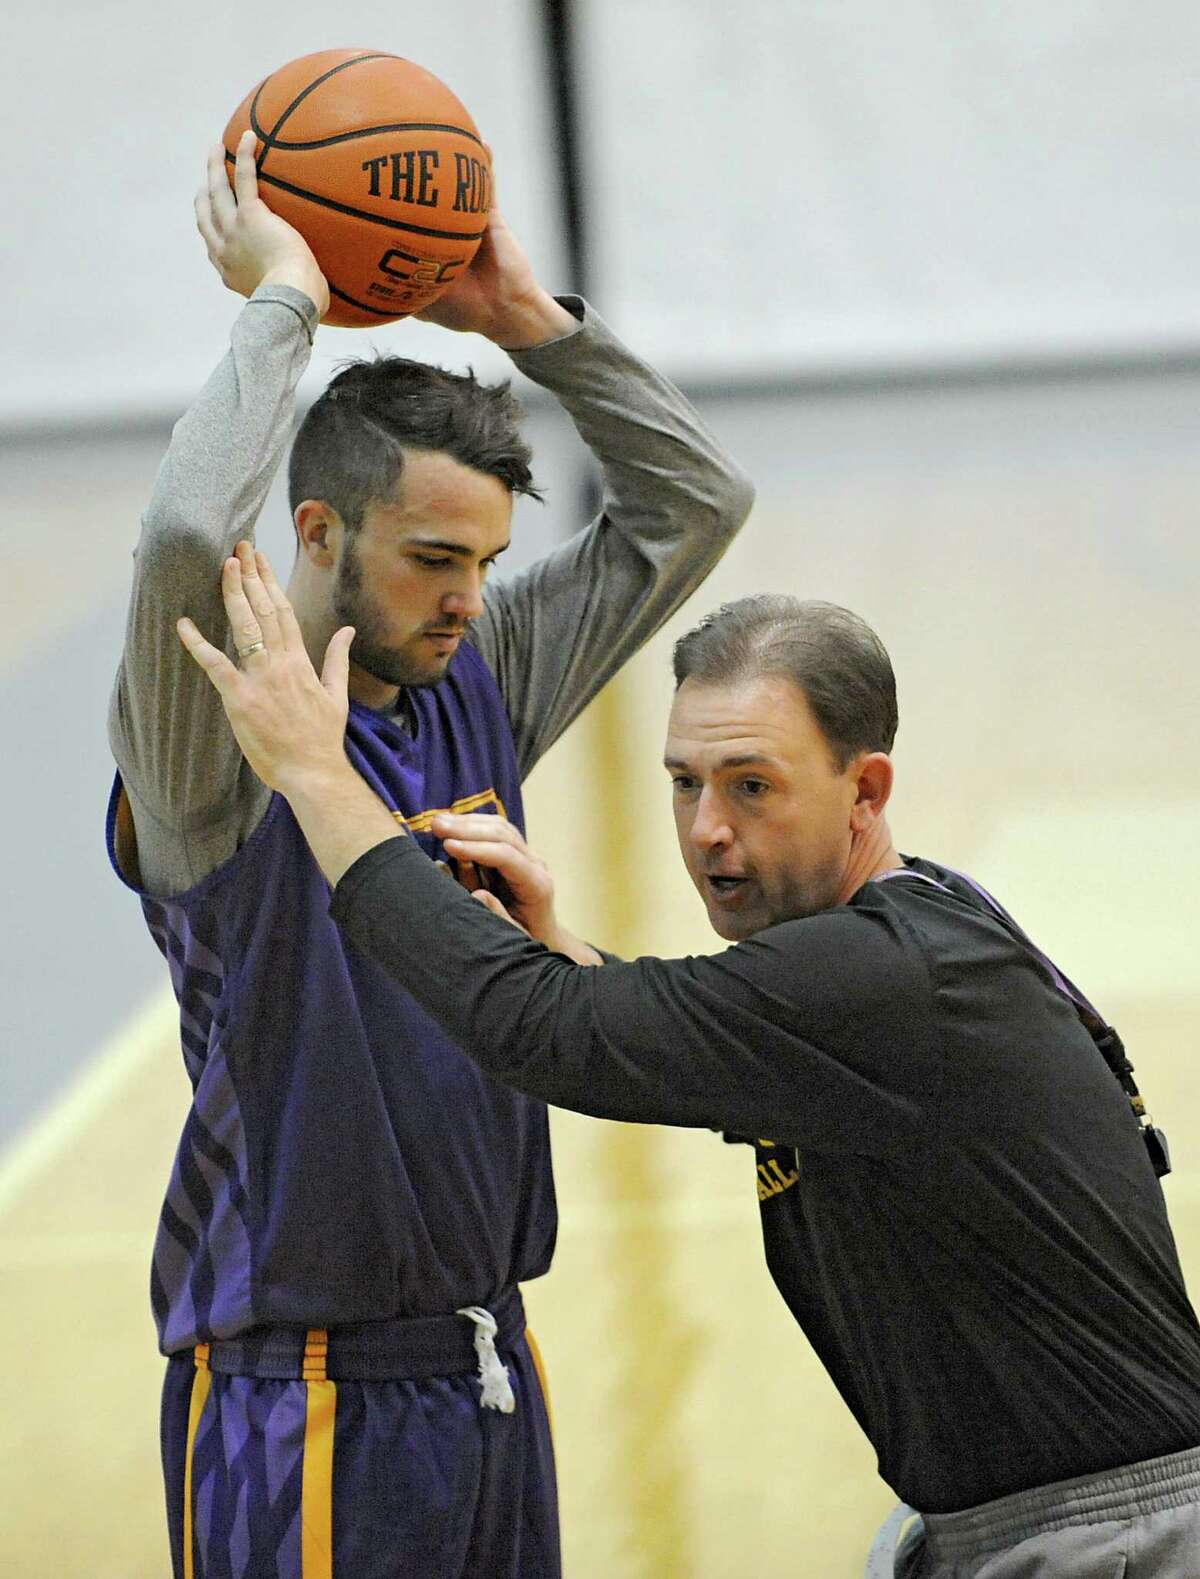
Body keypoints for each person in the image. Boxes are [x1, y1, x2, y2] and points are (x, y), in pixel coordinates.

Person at [178, 573, 1200, 1578]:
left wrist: (317, 774)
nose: (708, 826)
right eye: (684, 782)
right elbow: (655, 1029)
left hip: (1113, 1543)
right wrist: (558, 950)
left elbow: (540, 1030)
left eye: (751, 785)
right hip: (1036, 1524)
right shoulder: (913, 931)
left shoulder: (880, 977)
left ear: (867, 790)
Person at [106, 127, 754, 1579]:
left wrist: (533, 323)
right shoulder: (216, 715)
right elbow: (179, 537)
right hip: (297, 1389)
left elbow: (696, 505)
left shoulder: (480, 675)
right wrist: (283, 297)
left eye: (486, 562)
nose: (468, 597)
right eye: (432, 560)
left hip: (489, 1361)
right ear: (320, 531)